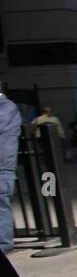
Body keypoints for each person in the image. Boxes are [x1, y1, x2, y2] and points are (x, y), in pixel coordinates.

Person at [0, 86, 19, 254]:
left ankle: (3, 246)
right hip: (4, 166)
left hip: (2, 167)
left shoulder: (5, 107)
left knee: (1, 206)